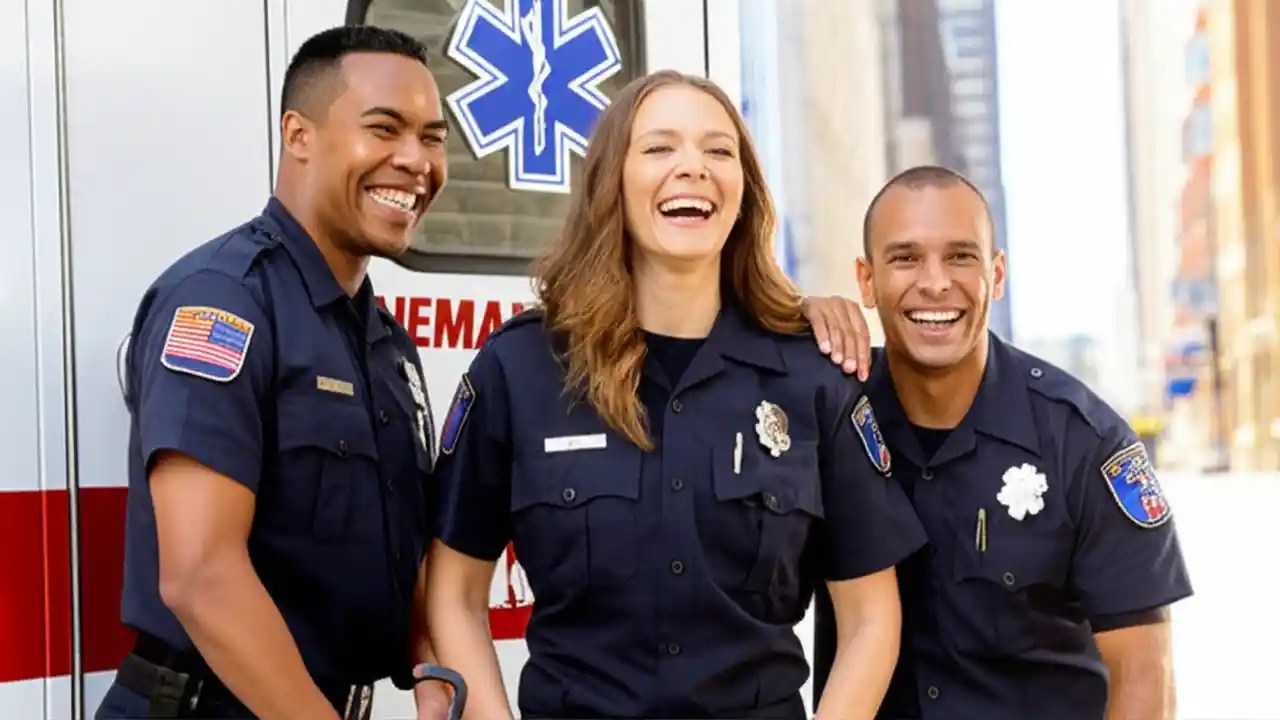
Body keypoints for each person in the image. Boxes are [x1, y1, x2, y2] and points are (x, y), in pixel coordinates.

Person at [424, 69, 928, 720]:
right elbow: (455, 592)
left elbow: (870, 619)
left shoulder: (813, 377)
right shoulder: (518, 369)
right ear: (613, 183)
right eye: (660, 148)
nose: (692, 167)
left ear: (744, 191)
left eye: (718, 151)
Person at [96, 26, 456, 720]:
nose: (415, 161)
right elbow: (201, 577)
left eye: (433, 137)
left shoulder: (388, 346)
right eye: (384, 128)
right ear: (299, 135)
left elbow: (397, 552)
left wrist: (436, 670)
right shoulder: (224, 303)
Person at [812, 165, 1194, 719]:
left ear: (998, 272)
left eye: (961, 256)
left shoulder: (1085, 445)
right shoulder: (832, 420)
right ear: (866, 281)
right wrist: (797, 317)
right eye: (905, 258)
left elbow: (1143, 674)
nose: (936, 282)